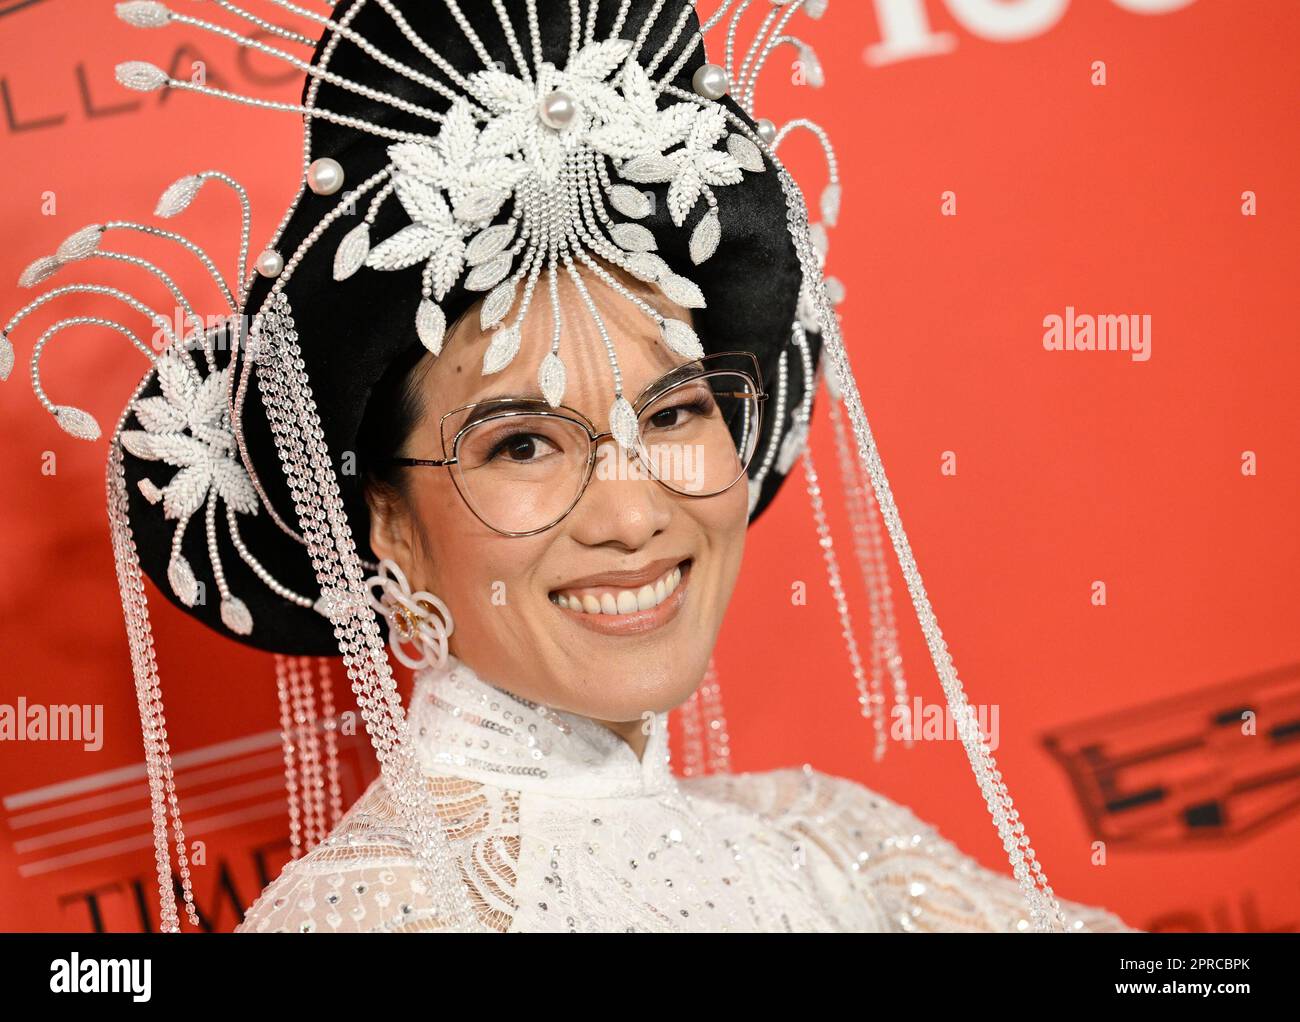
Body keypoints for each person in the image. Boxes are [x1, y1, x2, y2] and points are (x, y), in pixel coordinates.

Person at [1, 0, 1138, 933]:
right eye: (524, 442)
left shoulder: (839, 843)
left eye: (676, 408)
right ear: (386, 526)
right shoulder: (377, 916)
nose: (635, 511)